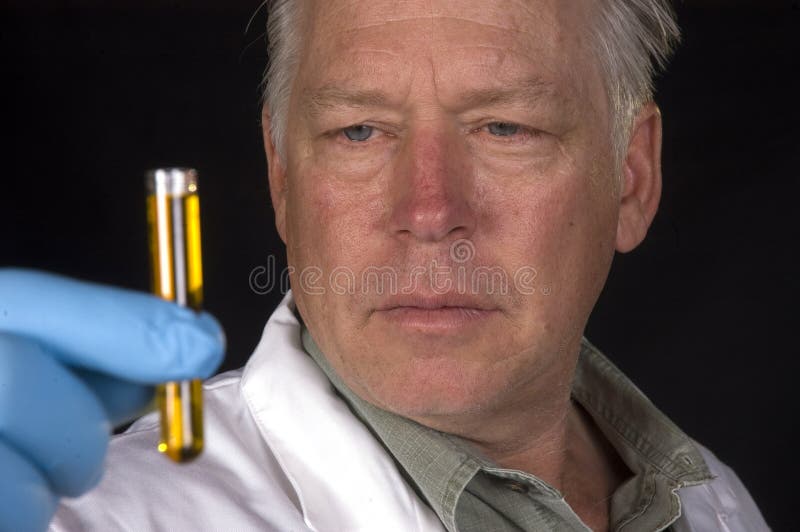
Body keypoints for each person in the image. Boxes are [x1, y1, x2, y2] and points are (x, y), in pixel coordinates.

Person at [0, 0, 770, 530]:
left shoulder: (709, 500)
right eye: (359, 131)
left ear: (630, 179)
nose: (429, 212)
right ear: (280, 178)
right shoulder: (97, 514)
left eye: (506, 127)